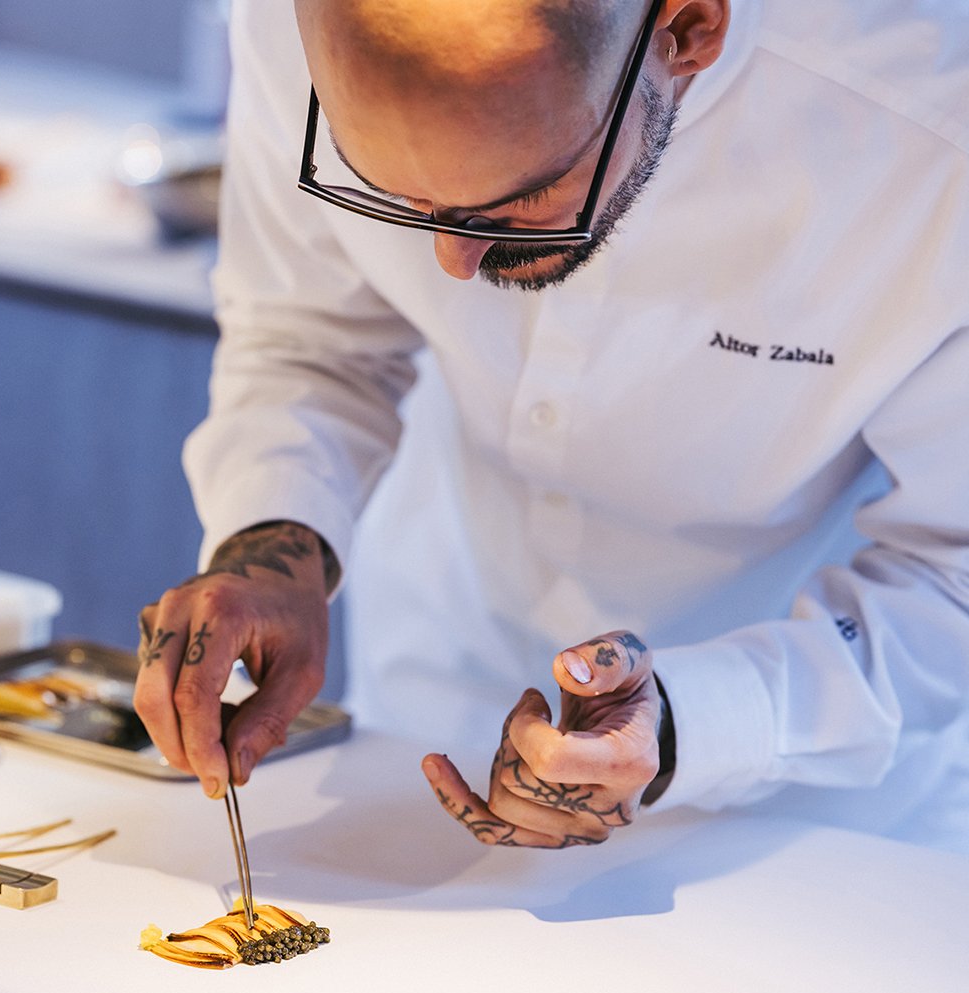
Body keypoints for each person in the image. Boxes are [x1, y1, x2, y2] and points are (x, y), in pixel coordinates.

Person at [135, 0, 969, 852]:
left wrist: (692, 722)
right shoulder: (299, 26)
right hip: (426, 702)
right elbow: (311, 338)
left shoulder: (935, 144)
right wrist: (276, 554)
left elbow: (955, 579)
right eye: (388, 191)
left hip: (811, 810)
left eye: (527, 195)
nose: (451, 261)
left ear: (685, 32)